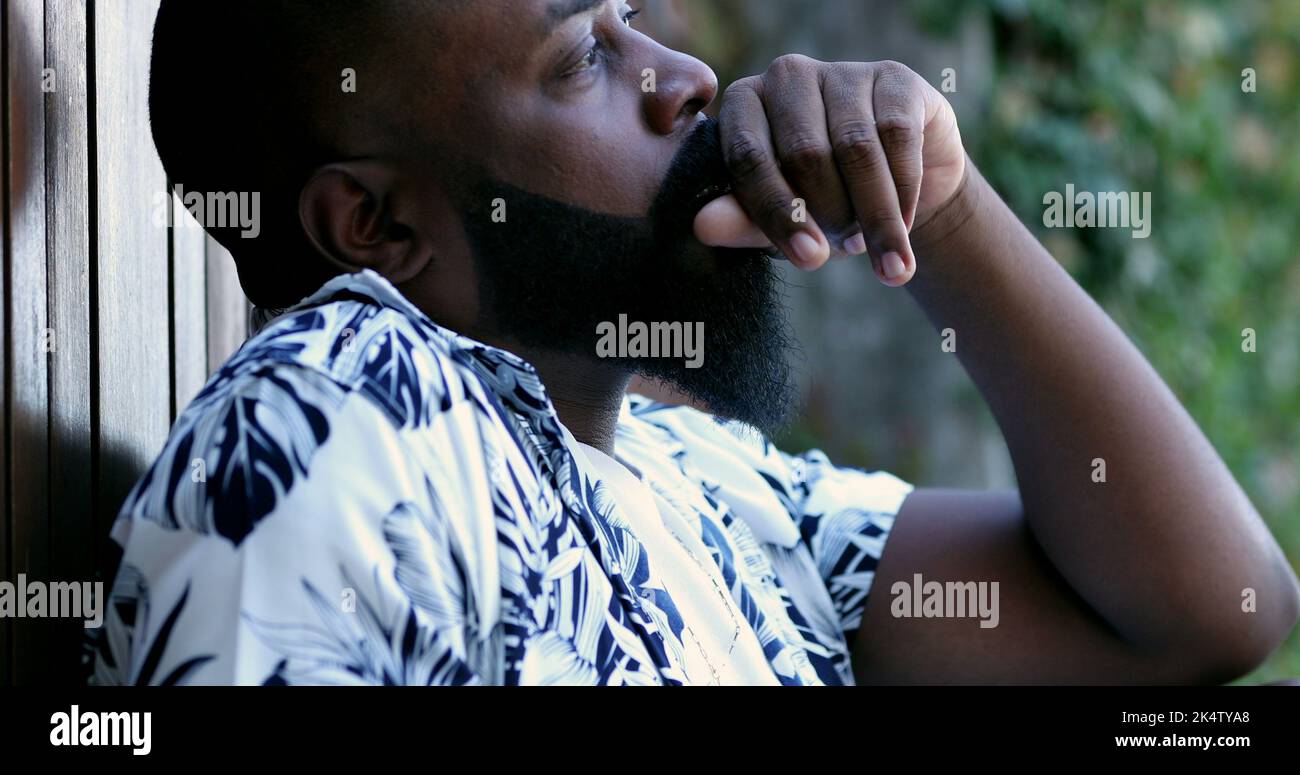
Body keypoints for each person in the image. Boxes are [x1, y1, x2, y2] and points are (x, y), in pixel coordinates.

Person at [90, 0, 1299, 685]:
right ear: (380, 225)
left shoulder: (696, 482)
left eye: (633, 18)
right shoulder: (329, 426)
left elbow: (1216, 608)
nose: (684, 79)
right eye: (582, 61)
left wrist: (941, 202)